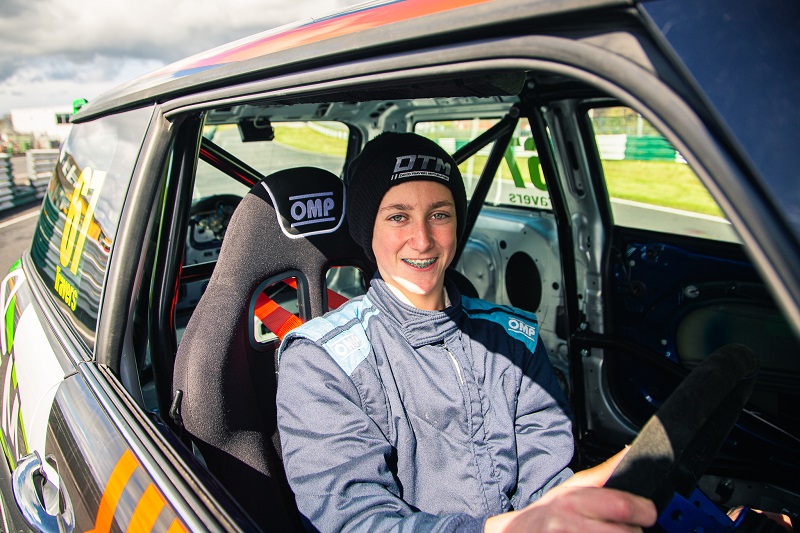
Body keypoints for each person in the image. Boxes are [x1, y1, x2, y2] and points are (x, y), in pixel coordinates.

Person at [275, 132, 657, 532]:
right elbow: (356, 521)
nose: (422, 240)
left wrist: (570, 502)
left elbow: (544, 482)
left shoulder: (515, 338)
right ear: (366, 228)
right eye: (398, 217)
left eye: (439, 215)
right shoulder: (320, 361)